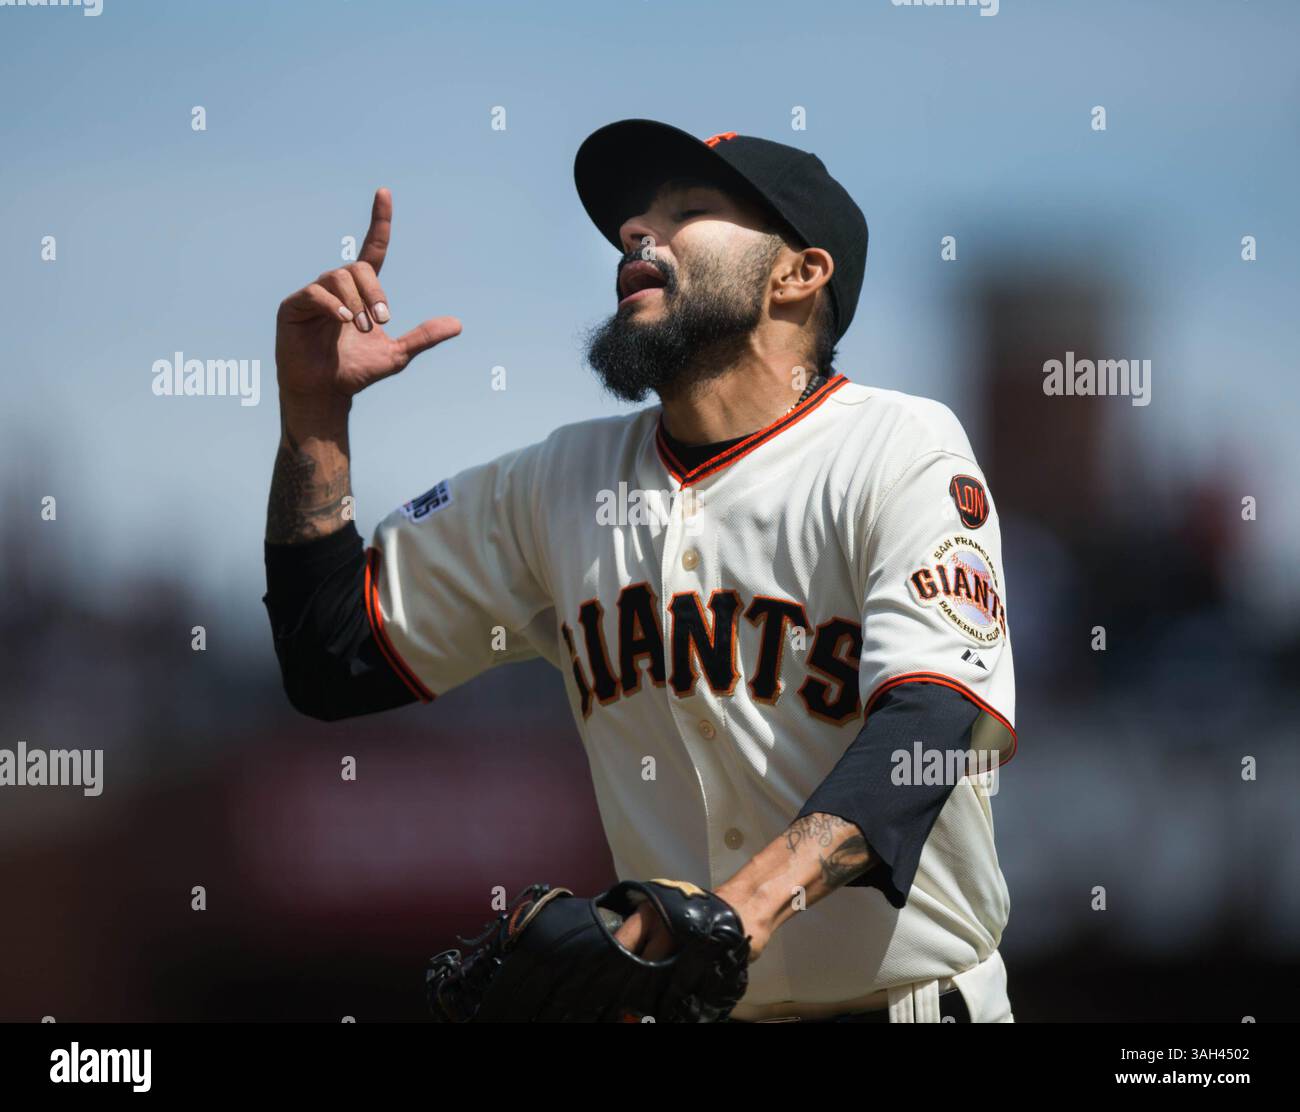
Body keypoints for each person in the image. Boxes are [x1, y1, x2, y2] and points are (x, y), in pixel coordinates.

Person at [263, 119, 1017, 1022]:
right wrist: (314, 418)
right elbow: (332, 655)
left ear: (798, 274)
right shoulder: (557, 481)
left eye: (689, 210)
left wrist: (737, 911)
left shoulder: (898, 447)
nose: (637, 236)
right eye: (631, 225)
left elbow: (934, 724)